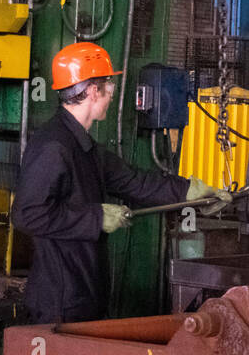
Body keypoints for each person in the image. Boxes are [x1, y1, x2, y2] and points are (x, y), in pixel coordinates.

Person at [12, 42, 231, 324]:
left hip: (84, 293)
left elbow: (134, 182)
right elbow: (26, 214)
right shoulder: (54, 147)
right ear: (92, 90)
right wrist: (96, 217)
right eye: (109, 85)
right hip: (59, 302)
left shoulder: (82, 146)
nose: (112, 93)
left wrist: (192, 191)